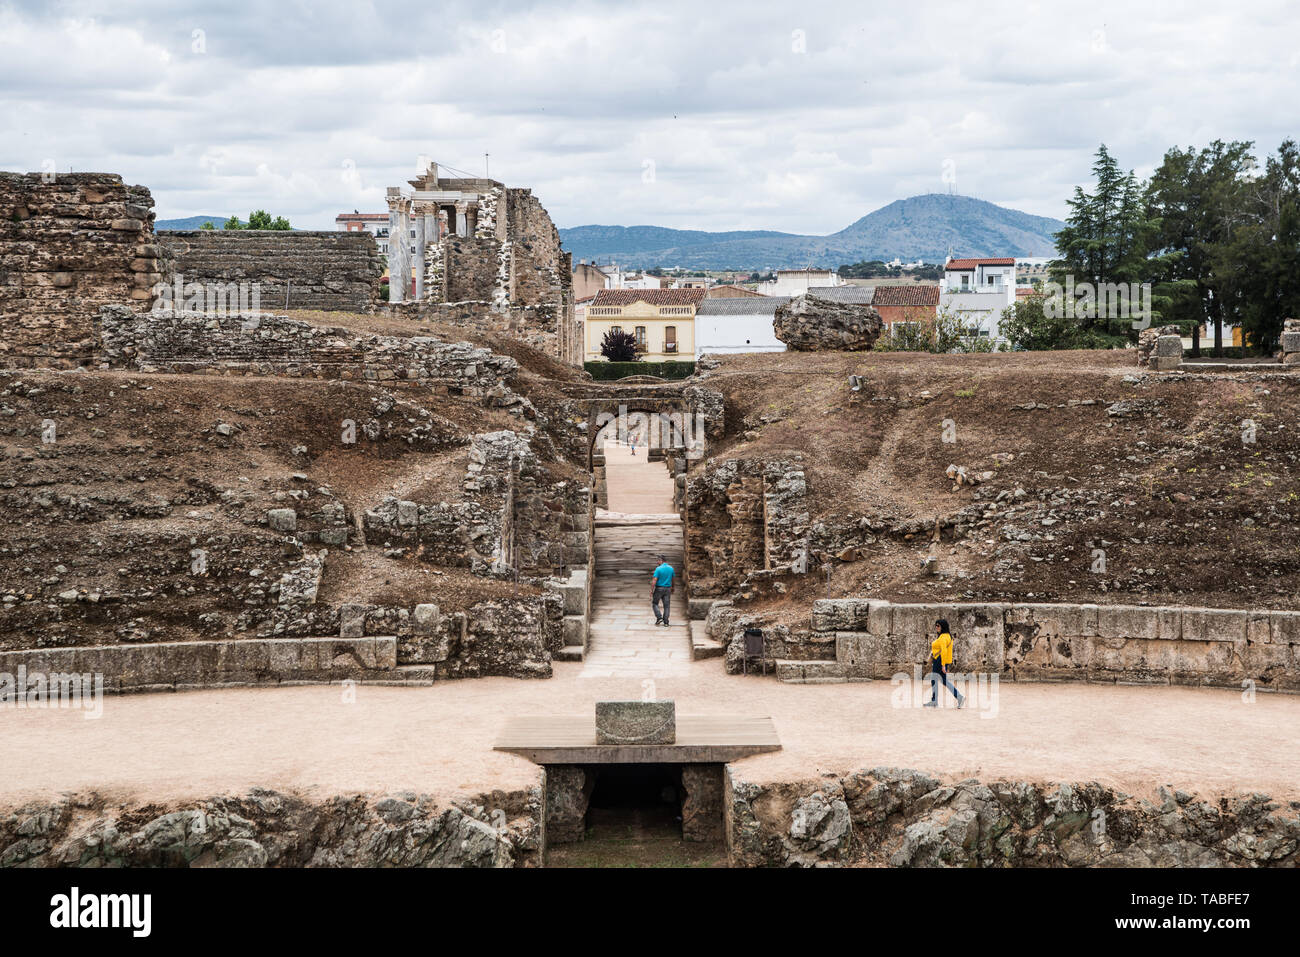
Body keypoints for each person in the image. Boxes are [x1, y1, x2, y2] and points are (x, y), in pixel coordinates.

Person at [924, 618, 965, 708]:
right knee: (944, 681)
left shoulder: (943, 637)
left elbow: (944, 651)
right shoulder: (948, 636)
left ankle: (935, 701)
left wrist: (943, 665)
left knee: (934, 680)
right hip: (942, 660)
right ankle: (959, 697)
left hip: (939, 660)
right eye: (936, 625)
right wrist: (946, 664)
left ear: (943, 626)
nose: (936, 627)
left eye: (938, 625)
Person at [651, 555, 674, 626]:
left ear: (661, 560)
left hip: (659, 588)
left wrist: (652, 590)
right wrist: (673, 587)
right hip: (668, 589)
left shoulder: (658, 569)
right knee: (667, 606)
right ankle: (666, 622)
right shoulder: (671, 568)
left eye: (658, 560)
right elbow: (673, 579)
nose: (657, 562)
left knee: (655, 603)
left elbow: (654, 580)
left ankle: (659, 617)